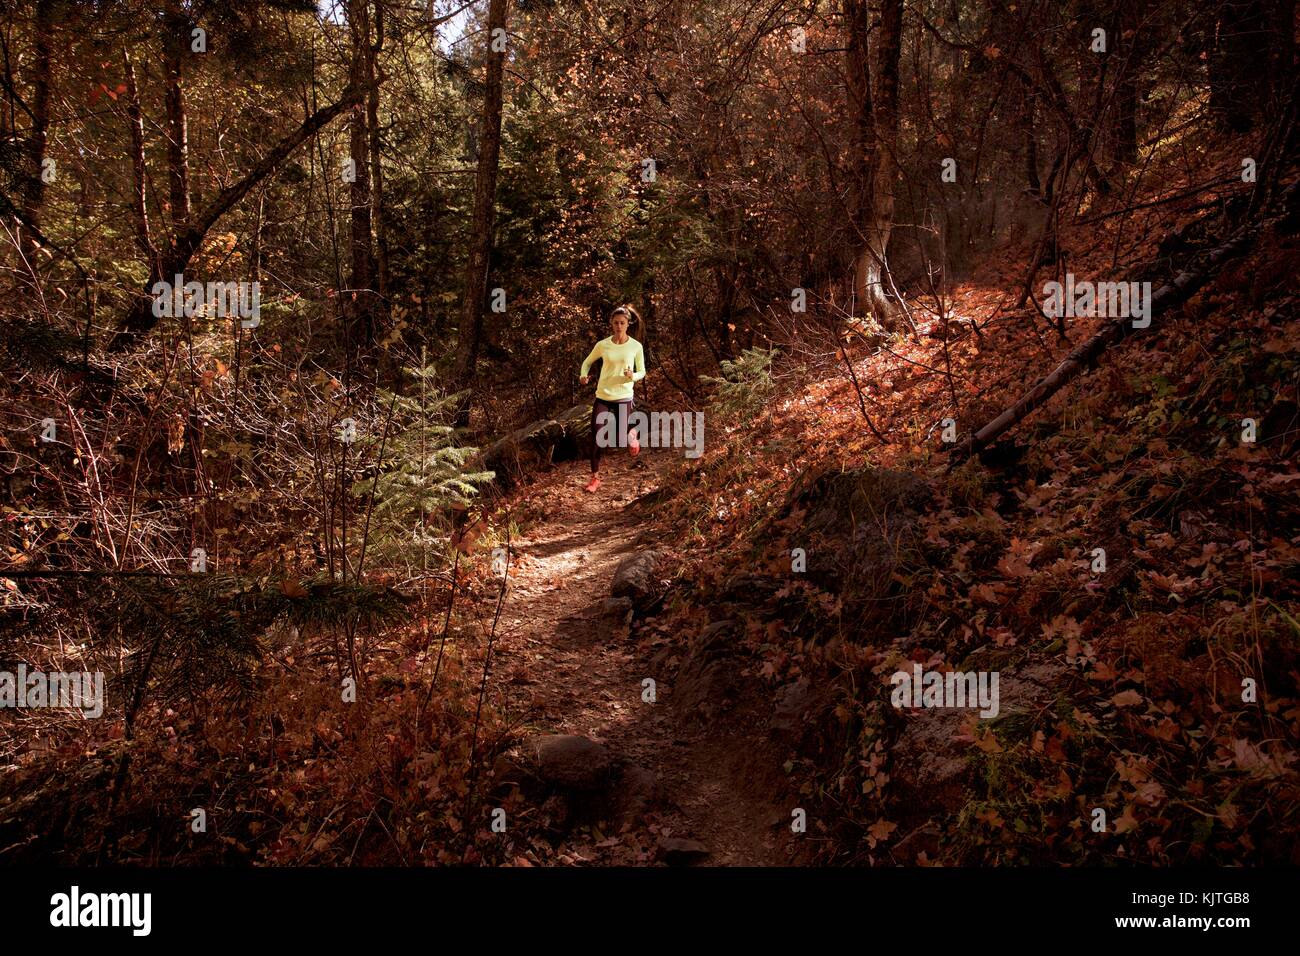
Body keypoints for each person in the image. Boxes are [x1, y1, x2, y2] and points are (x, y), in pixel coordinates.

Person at [578, 305, 646, 493]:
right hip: (604, 395)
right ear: (611, 323)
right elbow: (587, 362)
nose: (618, 326)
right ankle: (595, 479)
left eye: (622, 323)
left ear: (628, 324)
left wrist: (633, 376)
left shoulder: (635, 346)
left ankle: (632, 434)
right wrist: (583, 375)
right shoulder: (603, 345)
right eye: (615, 322)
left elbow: (642, 371)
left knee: (621, 436)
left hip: (624, 395)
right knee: (596, 435)